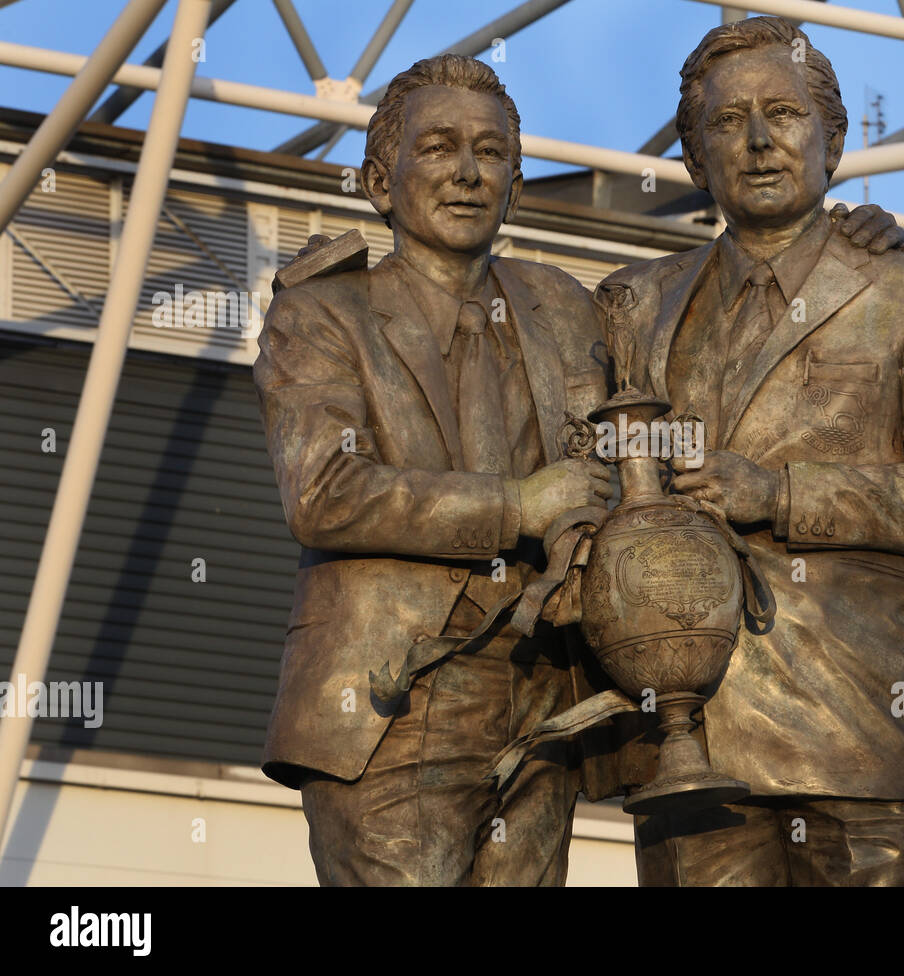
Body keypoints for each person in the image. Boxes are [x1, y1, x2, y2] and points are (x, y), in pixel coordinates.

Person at [583, 17, 904, 886]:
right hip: (685, 743)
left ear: (833, 138)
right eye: (729, 122)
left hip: (858, 733)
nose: (762, 141)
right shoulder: (631, 303)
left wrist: (780, 493)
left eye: (785, 112)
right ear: (696, 160)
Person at [253, 54, 614, 885]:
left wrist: (846, 231)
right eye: (439, 148)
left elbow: (678, 324)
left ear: (517, 186)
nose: (466, 173)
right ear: (381, 182)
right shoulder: (320, 314)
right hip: (388, 705)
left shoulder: (562, 305)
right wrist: (515, 506)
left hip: (539, 701)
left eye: (491, 154)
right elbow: (323, 493)